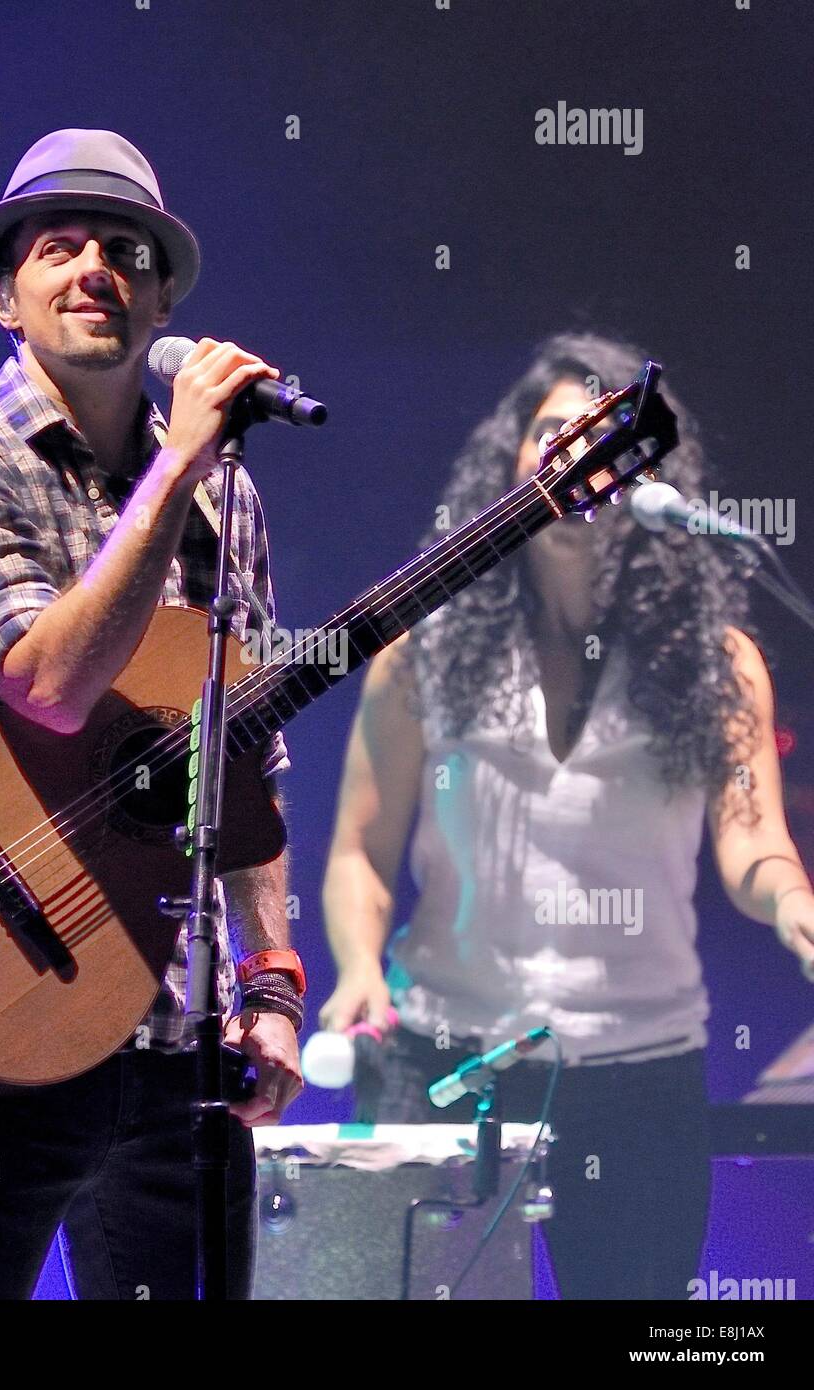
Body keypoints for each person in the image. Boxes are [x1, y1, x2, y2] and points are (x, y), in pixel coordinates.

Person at [0, 129, 304, 1300]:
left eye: (125, 249)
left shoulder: (227, 494)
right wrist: (176, 476)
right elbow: (43, 683)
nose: (95, 267)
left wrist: (269, 980)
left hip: (175, 1045)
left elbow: (249, 754)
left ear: (161, 298)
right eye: (58, 248)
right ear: (5, 298)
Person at [320, 333, 814, 1300]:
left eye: (603, 439)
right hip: (446, 1069)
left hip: (641, 1076)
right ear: (512, 466)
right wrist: (356, 973)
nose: (578, 458)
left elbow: (754, 844)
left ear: (646, 474)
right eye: (553, 435)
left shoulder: (720, 662)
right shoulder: (423, 648)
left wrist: (796, 906)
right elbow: (358, 856)